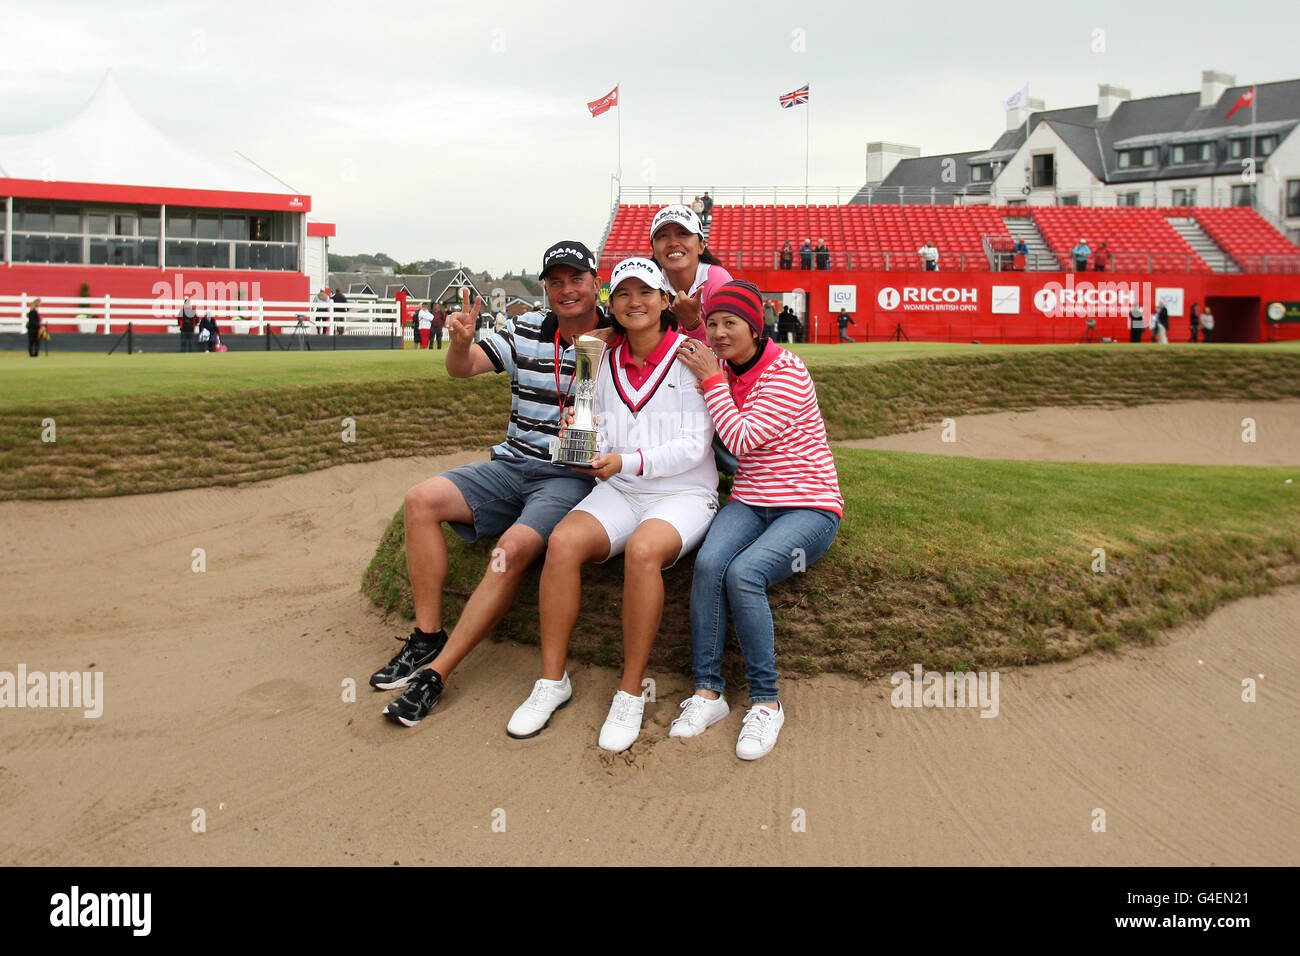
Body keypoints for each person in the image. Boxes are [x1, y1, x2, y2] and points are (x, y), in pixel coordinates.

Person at [375, 240, 610, 727]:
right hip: (511, 465)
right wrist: (459, 343)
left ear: (595, 281)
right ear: (545, 288)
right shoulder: (526, 327)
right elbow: (461, 369)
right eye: (556, 281)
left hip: (568, 477)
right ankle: (426, 636)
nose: (566, 290)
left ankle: (437, 674)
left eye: (576, 279)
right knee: (420, 500)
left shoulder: (618, 332)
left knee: (509, 548)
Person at [507, 257, 718, 752]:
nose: (634, 302)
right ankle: (551, 680)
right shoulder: (595, 356)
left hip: (684, 493)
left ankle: (629, 692)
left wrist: (624, 460)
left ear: (666, 300)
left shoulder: (691, 355)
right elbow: (591, 422)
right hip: (623, 487)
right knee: (562, 541)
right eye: (622, 293)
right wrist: (578, 438)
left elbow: (693, 446)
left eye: (646, 292)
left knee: (644, 551)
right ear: (612, 303)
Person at [673, 280, 843, 760]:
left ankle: (766, 702)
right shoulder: (722, 363)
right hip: (750, 498)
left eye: (731, 323)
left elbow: (742, 440)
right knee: (710, 566)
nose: (720, 333)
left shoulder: (786, 370)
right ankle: (708, 693)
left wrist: (710, 379)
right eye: (714, 324)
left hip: (809, 504)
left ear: (755, 327)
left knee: (745, 574)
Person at [648, 204, 732, 344]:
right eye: (663, 235)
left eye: (683, 233)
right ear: (654, 250)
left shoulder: (718, 281)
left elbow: (730, 350)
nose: (673, 242)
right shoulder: (648, 283)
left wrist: (693, 324)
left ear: (701, 246)